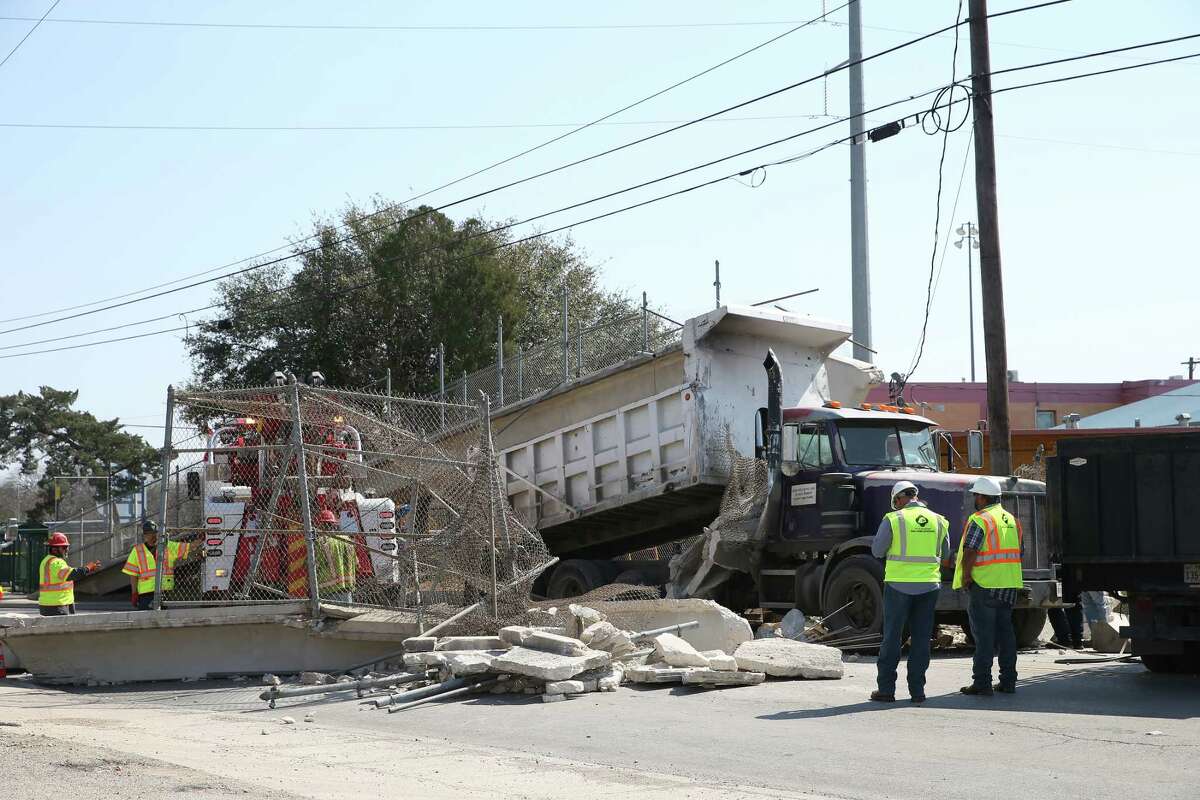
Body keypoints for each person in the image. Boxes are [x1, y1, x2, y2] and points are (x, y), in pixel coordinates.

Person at [870, 481, 950, 704]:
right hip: (929, 586)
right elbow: (945, 555)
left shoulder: (893, 519)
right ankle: (918, 692)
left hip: (898, 585)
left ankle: (886, 690)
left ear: (898, 499)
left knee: (892, 638)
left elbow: (877, 551)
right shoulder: (939, 520)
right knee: (922, 639)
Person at [953, 476, 1024, 696]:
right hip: (1009, 584)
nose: (975, 499)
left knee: (984, 637)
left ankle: (982, 683)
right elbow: (1020, 550)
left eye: (976, 495)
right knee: (1006, 636)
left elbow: (971, 550)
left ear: (983, 497)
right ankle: (1008, 682)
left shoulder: (981, 519)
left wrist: (966, 577)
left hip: (985, 584)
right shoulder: (1011, 519)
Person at [123, 520, 200, 610]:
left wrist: (201, 539)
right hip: (145, 593)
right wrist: (134, 593)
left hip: (163, 591)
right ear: (144, 535)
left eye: (153, 533)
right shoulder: (137, 550)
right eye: (148, 533)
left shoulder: (168, 546)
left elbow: (189, 547)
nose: (151, 536)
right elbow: (133, 575)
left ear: (158, 533)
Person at [38, 532, 100, 616]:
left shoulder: (46, 561)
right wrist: (87, 568)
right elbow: (72, 574)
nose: (67, 549)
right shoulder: (56, 562)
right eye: (64, 547)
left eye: (67, 547)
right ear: (54, 549)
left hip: (49, 605)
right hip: (57, 605)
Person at [315, 509, 356, 604]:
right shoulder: (347, 540)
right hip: (347, 586)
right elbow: (356, 564)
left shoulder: (320, 542)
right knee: (346, 616)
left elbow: (315, 564)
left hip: (328, 588)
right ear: (333, 524)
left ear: (321, 525)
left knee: (331, 616)